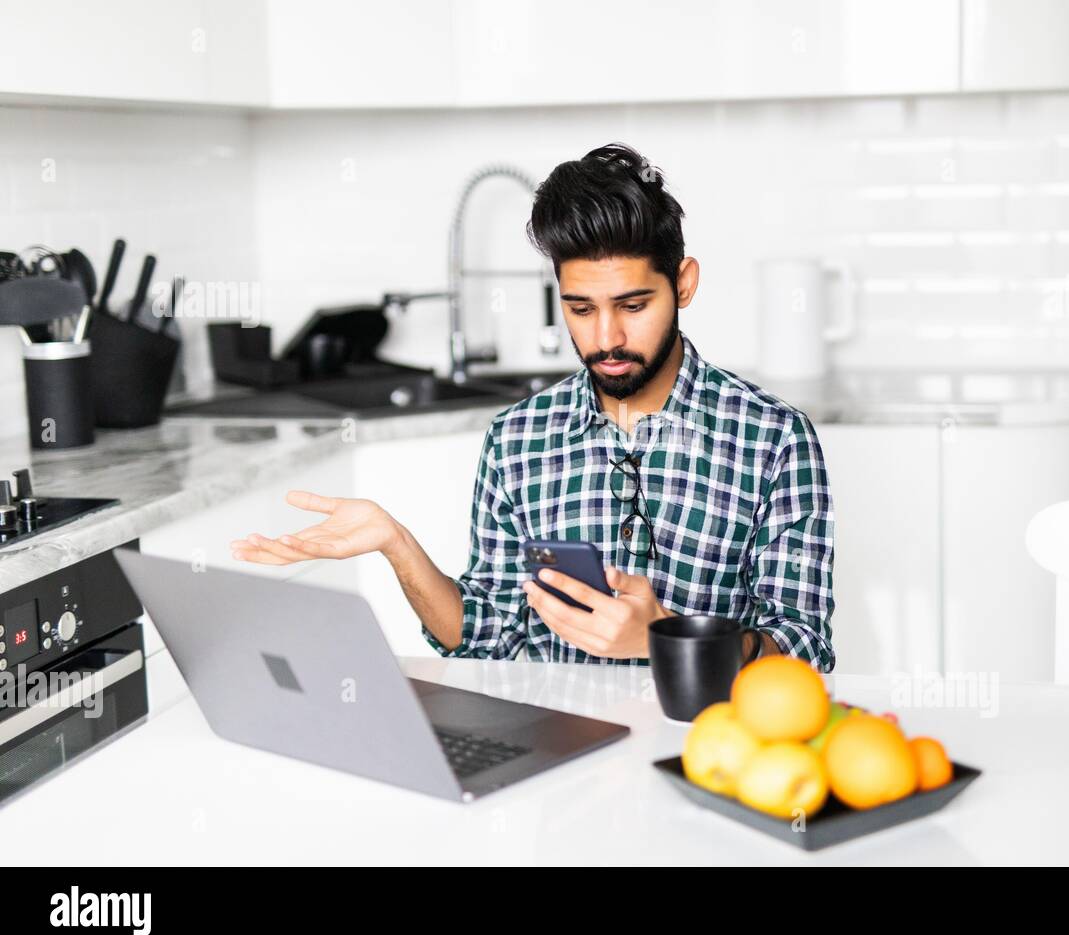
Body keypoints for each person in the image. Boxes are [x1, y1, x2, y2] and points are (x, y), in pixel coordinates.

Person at [231, 143, 835, 670]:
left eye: (632, 306)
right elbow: (483, 638)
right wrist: (397, 545)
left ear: (683, 285)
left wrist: (665, 639)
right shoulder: (516, 437)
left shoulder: (774, 437)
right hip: (564, 752)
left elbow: (805, 647)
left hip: (712, 747)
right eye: (580, 309)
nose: (605, 338)